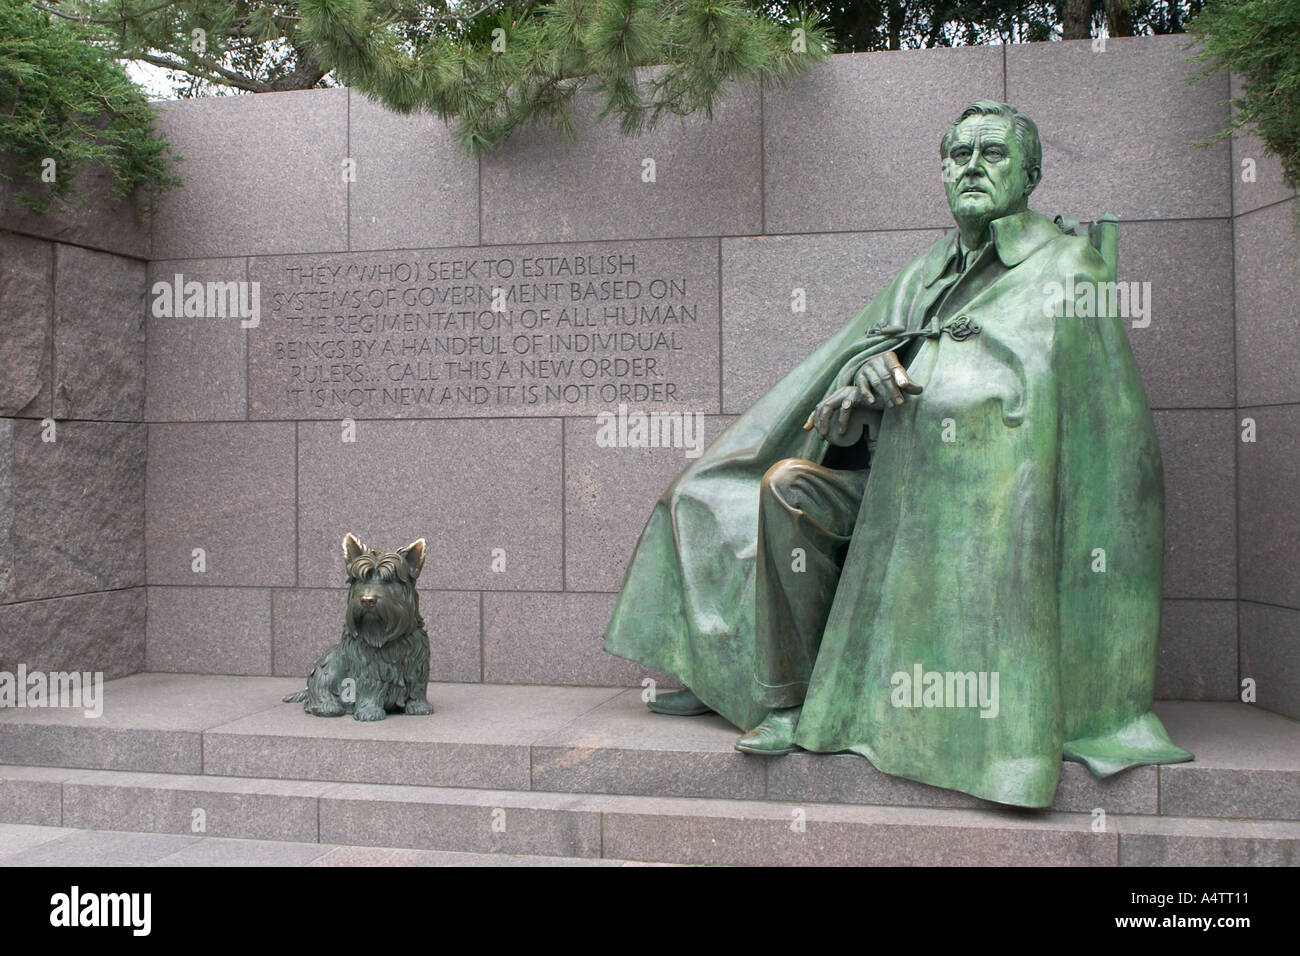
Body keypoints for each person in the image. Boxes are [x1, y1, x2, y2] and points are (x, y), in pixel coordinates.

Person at [603, 100, 1192, 808]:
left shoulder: (1070, 270)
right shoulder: (926, 270)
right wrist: (861, 387)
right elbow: (855, 374)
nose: (972, 167)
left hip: (982, 512)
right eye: (959, 154)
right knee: (771, 487)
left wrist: (936, 398)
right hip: (886, 491)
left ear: (1031, 173)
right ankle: (778, 698)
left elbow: (1093, 437)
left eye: (993, 154)